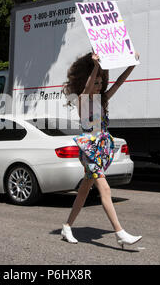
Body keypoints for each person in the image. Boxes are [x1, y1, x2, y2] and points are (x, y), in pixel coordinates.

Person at [61, 52, 142, 249]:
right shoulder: (82, 100)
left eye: (100, 82)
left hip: (101, 147)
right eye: (95, 82)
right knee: (104, 188)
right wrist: (96, 66)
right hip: (89, 150)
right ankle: (120, 232)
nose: (98, 86)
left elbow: (119, 83)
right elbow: (88, 87)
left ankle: (67, 226)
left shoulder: (103, 99)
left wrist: (132, 65)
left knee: (83, 191)